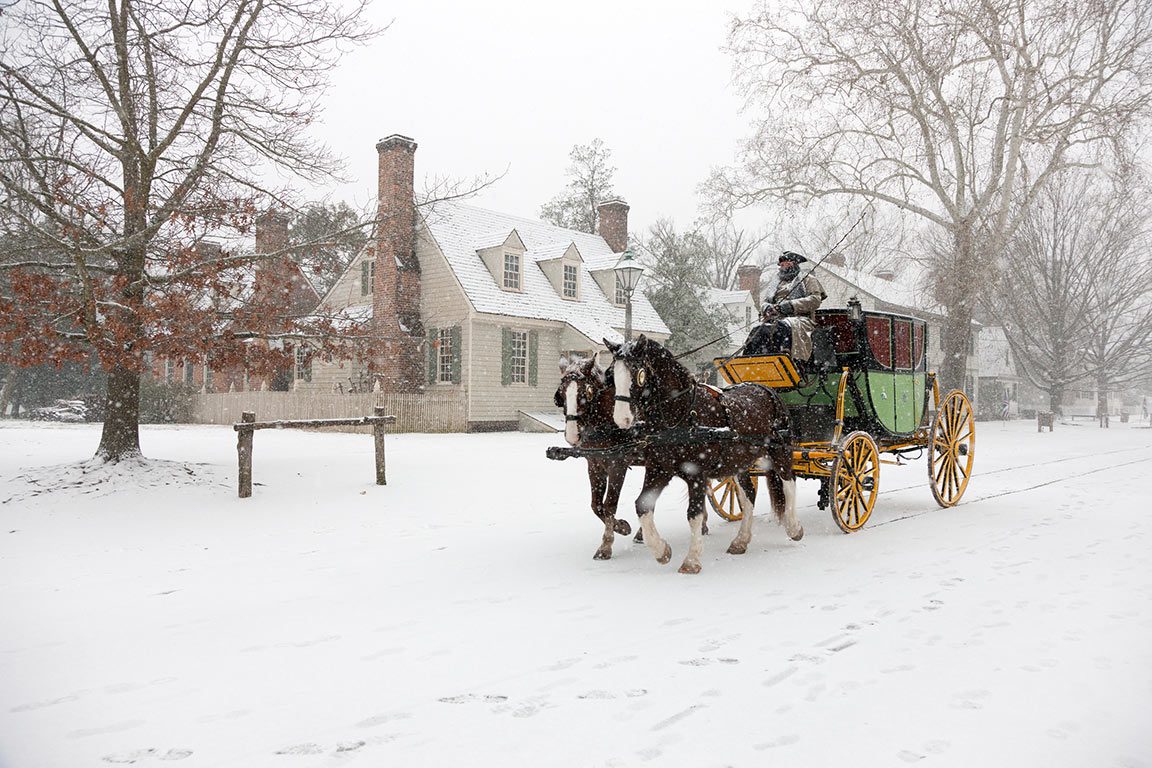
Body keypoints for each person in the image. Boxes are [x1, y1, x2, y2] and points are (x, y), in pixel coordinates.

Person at [742, 251, 827, 361]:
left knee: (783, 326)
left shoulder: (808, 279)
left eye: (783, 264)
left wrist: (791, 305)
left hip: (801, 319)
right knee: (758, 330)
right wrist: (767, 308)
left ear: (792, 263)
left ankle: (785, 355)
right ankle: (747, 358)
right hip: (775, 320)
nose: (780, 268)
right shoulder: (776, 283)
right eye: (780, 265)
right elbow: (765, 301)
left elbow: (815, 300)